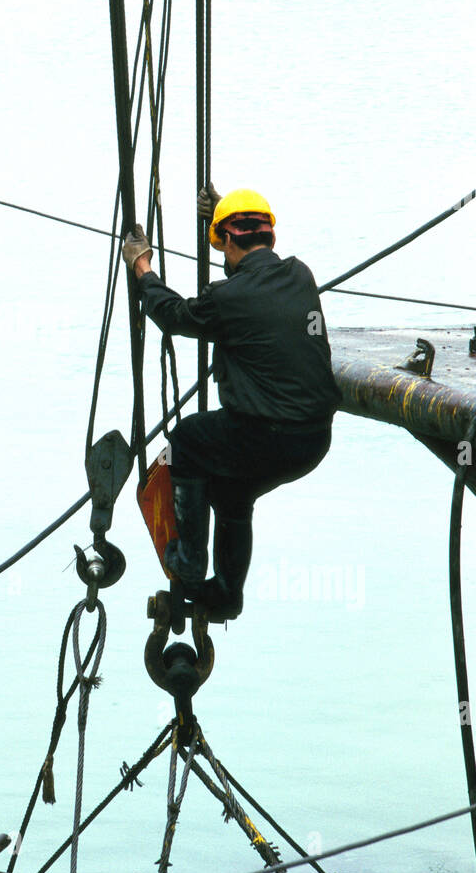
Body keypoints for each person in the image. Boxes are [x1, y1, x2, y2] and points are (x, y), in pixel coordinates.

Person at [122, 185, 340, 621]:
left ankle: (188, 562)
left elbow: (173, 316)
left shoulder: (226, 298)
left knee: (187, 439)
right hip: (313, 440)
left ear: (227, 243)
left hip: (269, 436)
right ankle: (224, 596)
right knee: (231, 493)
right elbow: (247, 250)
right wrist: (218, 214)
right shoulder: (302, 275)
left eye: (221, 245)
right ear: (271, 238)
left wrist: (142, 268)